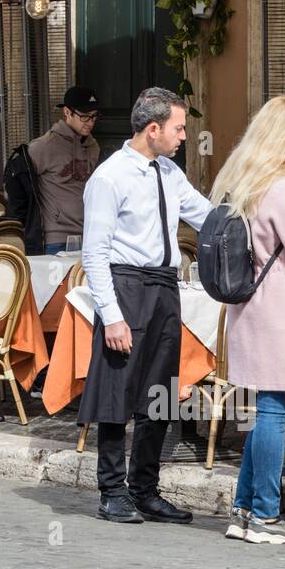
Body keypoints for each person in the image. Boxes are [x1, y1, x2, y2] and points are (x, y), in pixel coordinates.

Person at [79, 86, 211, 525]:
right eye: (177, 128)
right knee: (117, 393)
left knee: (162, 393)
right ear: (152, 129)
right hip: (127, 286)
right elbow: (94, 253)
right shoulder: (109, 177)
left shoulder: (170, 173)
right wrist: (112, 316)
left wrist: (256, 216)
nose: (183, 136)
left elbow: (206, 215)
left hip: (164, 289)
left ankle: (145, 490)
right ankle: (111, 492)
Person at [209, 96, 285, 546]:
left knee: (265, 412)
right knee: (275, 413)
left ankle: (243, 510)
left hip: (248, 309)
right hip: (280, 312)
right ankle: (265, 516)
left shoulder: (240, 180)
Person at [26, 86, 101, 254]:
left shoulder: (93, 147)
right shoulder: (43, 147)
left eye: (94, 117)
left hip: (89, 235)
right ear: (67, 112)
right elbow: (18, 187)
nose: (90, 122)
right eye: (84, 116)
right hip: (55, 238)